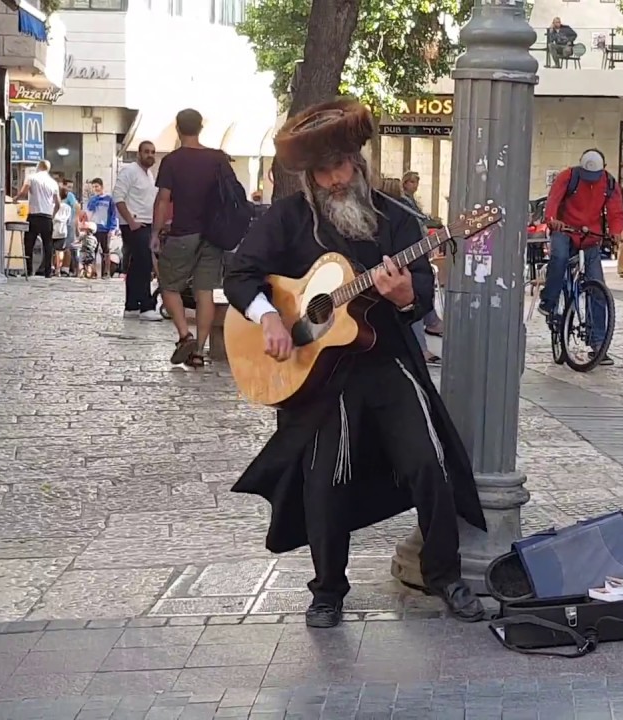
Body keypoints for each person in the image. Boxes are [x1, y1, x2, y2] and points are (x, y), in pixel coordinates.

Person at [224, 97, 487, 629]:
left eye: (342, 166)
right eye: (323, 173)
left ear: (359, 161)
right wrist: (270, 318)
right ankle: (327, 591)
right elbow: (240, 272)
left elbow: (423, 297)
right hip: (317, 377)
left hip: (386, 362)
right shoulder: (289, 216)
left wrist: (402, 295)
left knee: (428, 465)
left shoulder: (398, 218)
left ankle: (445, 575)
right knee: (325, 479)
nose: (335, 180)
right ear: (310, 177)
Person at [154, 108, 230, 368]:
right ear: (200, 128)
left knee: (169, 284)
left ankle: (184, 335)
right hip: (214, 235)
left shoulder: (172, 161)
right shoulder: (217, 158)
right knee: (204, 292)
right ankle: (198, 351)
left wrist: (155, 232)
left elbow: (163, 199)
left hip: (183, 233)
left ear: (178, 128)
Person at [540, 148, 623, 366]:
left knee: (597, 287)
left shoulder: (609, 183)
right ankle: (549, 301)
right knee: (558, 258)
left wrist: (616, 231)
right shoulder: (568, 177)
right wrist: (552, 219)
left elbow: (616, 211)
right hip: (565, 229)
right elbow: (553, 202)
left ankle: (598, 344)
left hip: (590, 236)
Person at [380, 177, 441, 365]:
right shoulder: (398, 206)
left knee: (408, 293)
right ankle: (427, 335)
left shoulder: (406, 207)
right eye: (412, 182)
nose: (415, 186)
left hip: (404, 267)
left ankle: (425, 340)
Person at [113, 141, 162, 321]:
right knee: (144, 263)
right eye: (147, 152)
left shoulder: (149, 175)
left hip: (146, 223)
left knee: (136, 266)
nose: (150, 155)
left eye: (153, 152)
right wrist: (131, 221)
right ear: (138, 154)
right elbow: (117, 197)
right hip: (134, 224)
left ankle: (132, 306)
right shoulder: (129, 171)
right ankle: (146, 307)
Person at [397, 171, 445, 338]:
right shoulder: (403, 202)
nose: (415, 186)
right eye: (412, 182)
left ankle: (432, 322)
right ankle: (431, 324)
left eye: (416, 182)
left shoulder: (413, 202)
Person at [14, 159, 59, 278]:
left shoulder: (31, 178)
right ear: (48, 169)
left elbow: (23, 192)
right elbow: (58, 202)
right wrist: (52, 214)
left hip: (34, 215)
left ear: (38, 167)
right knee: (48, 245)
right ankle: (48, 272)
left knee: (29, 243)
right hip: (47, 217)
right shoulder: (53, 183)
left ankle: (29, 270)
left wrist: (14, 199)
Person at [86, 177, 118, 278]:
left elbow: (113, 214)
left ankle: (106, 272)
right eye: (93, 187)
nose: (95, 189)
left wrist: (112, 228)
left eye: (97, 186)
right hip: (94, 228)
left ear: (102, 186)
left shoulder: (109, 199)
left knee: (106, 251)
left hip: (105, 228)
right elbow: (89, 213)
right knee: (92, 250)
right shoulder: (92, 200)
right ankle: (93, 272)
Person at [51, 186, 74, 276]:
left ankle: (52, 267)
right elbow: (69, 220)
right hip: (63, 229)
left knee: (52, 249)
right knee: (61, 249)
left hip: (53, 228)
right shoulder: (67, 207)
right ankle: (60, 269)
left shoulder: (52, 205)